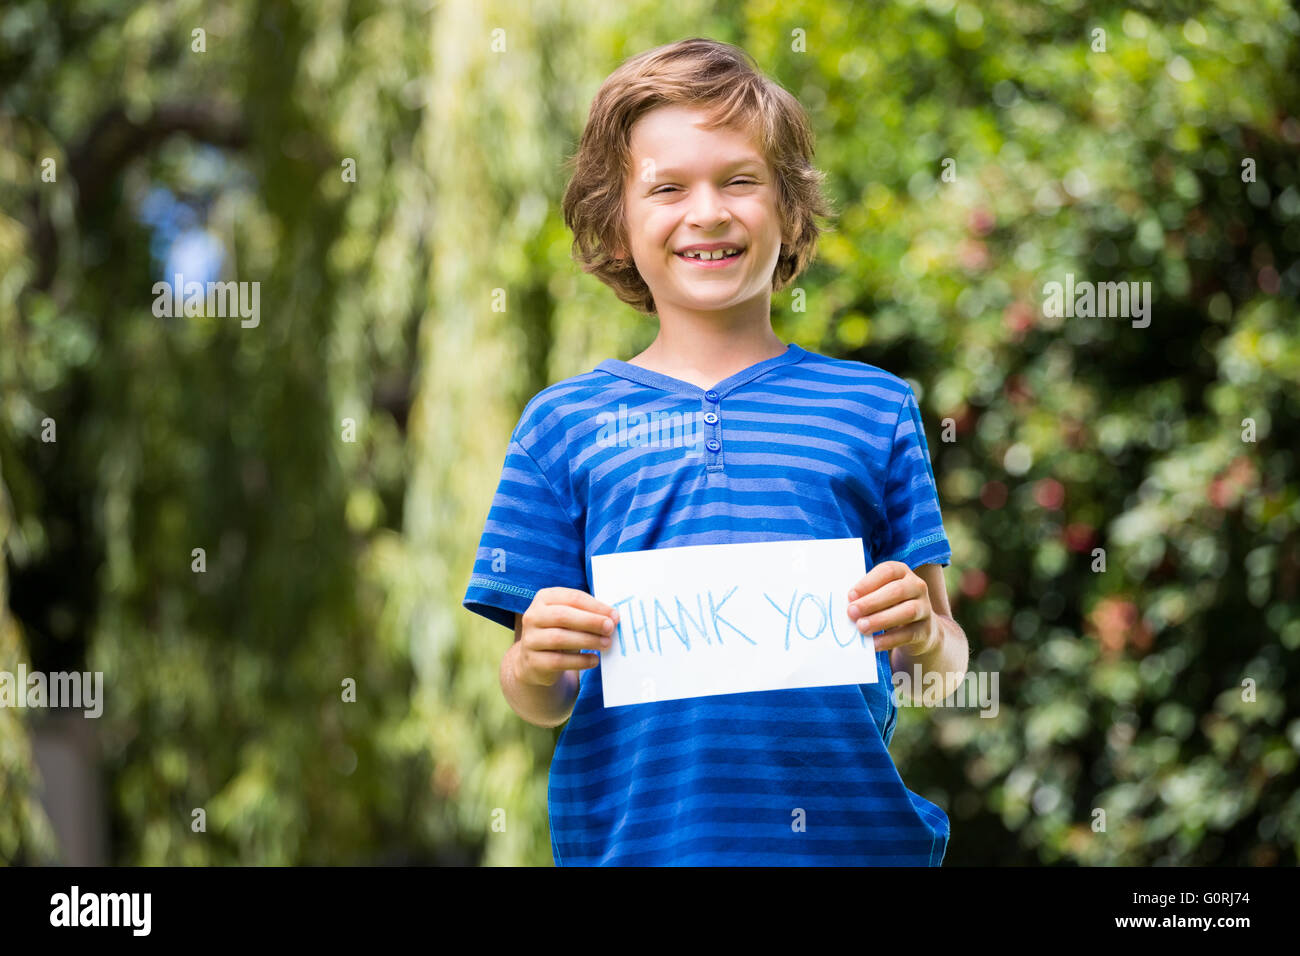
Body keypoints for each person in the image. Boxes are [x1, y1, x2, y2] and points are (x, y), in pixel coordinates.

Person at [462, 37, 969, 865]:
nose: (707, 212)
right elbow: (538, 698)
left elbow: (943, 666)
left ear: (789, 207)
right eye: (666, 188)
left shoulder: (874, 408)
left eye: (740, 180)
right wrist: (533, 655)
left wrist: (919, 632)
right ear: (617, 223)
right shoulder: (561, 426)